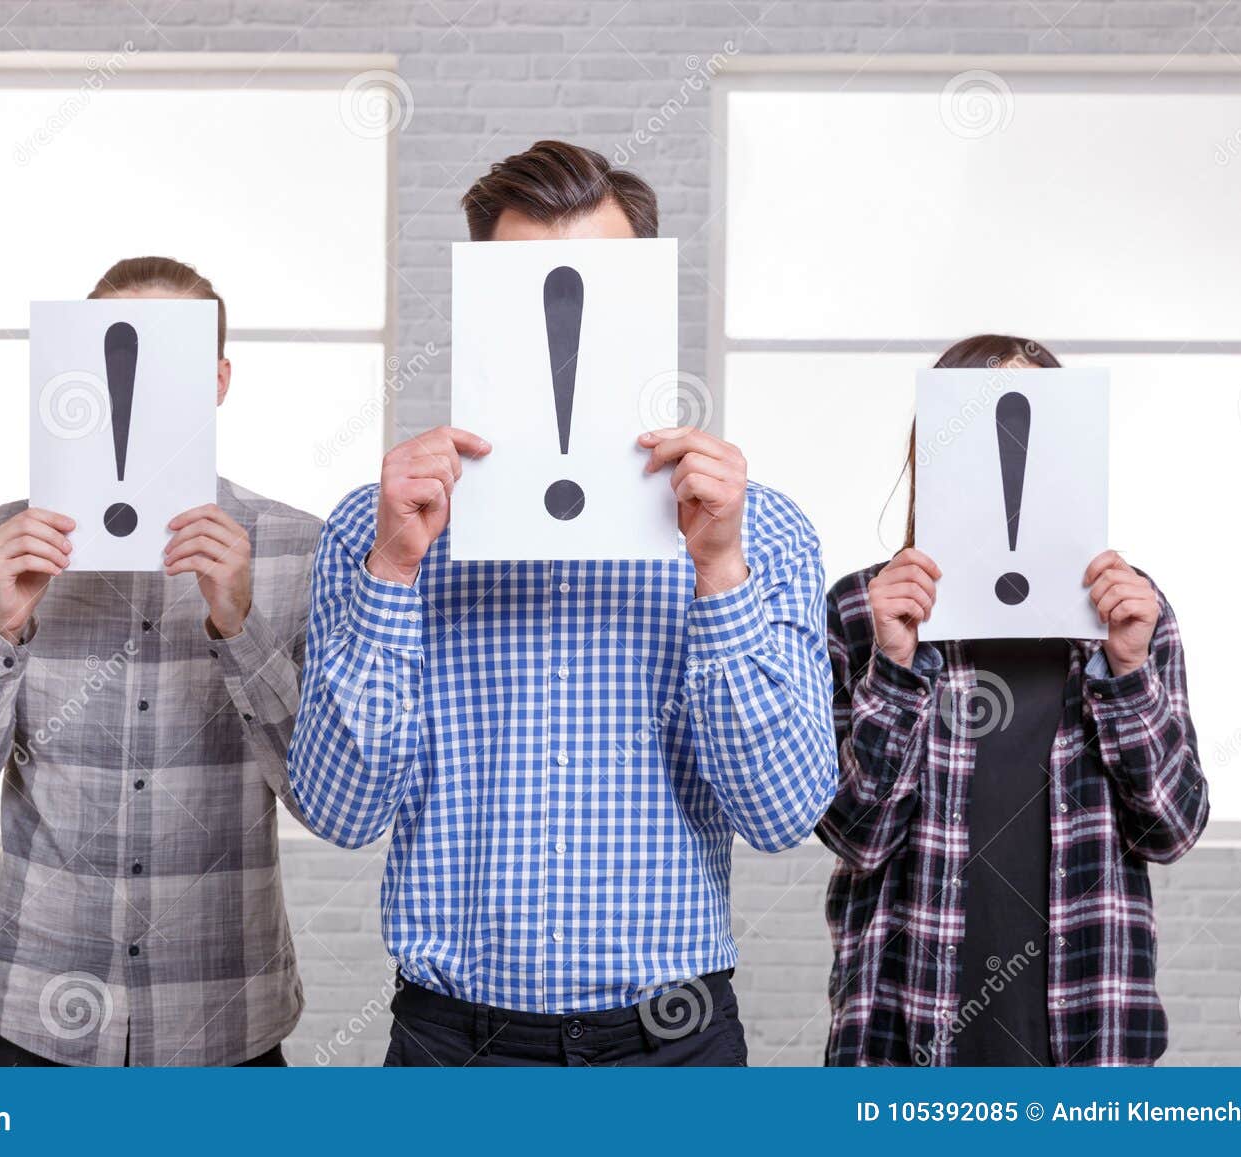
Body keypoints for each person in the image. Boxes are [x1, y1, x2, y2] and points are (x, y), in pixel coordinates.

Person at [288, 141, 838, 1067]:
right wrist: (392, 569)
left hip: (676, 1046)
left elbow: (783, 813)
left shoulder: (759, 529)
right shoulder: (377, 526)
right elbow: (342, 811)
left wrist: (718, 573)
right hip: (452, 1047)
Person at [0, 257, 321, 1067]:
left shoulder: (296, 547)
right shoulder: (5, 539)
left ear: (219, 379)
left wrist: (238, 624)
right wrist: (4, 629)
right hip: (31, 1021)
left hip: (224, 1024)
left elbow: (325, 800)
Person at [818, 333, 1208, 1067]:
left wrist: (1126, 671)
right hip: (902, 1050)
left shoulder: (1129, 614)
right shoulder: (859, 611)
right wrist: (895, 666)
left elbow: (1175, 830)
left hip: (1092, 1054)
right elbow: (854, 834)